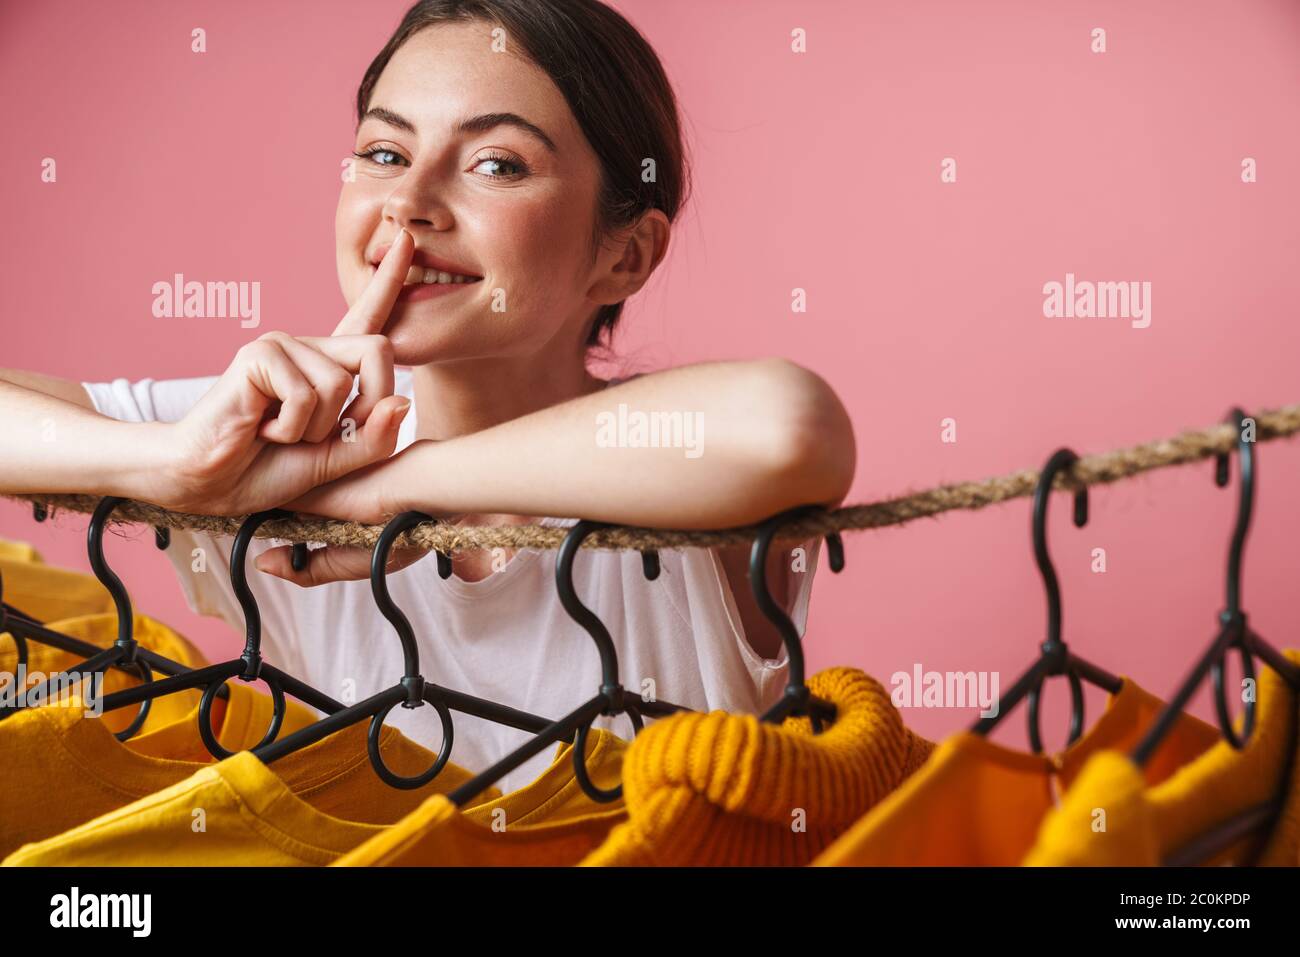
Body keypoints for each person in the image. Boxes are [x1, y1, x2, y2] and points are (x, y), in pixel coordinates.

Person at [0, 0, 856, 790]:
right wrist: (174, 465)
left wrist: (403, 484)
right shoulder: (273, 448)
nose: (408, 204)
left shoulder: (680, 484)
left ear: (623, 255)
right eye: (384, 152)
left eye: (496, 163)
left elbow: (789, 424)